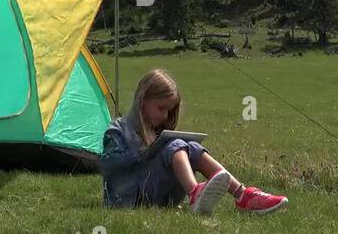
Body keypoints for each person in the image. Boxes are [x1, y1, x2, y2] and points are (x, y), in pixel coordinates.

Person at [101, 68, 288, 214]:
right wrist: (144, 152)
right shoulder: (117, 131)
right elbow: (111, 166)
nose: (166, 115)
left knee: (192, 147)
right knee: (173, 145)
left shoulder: (157, 132)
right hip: (131, 198)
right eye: (161, 108)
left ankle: (243, 195)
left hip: (156, 194)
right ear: (142, 101)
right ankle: (194, 193)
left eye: (170, 110)